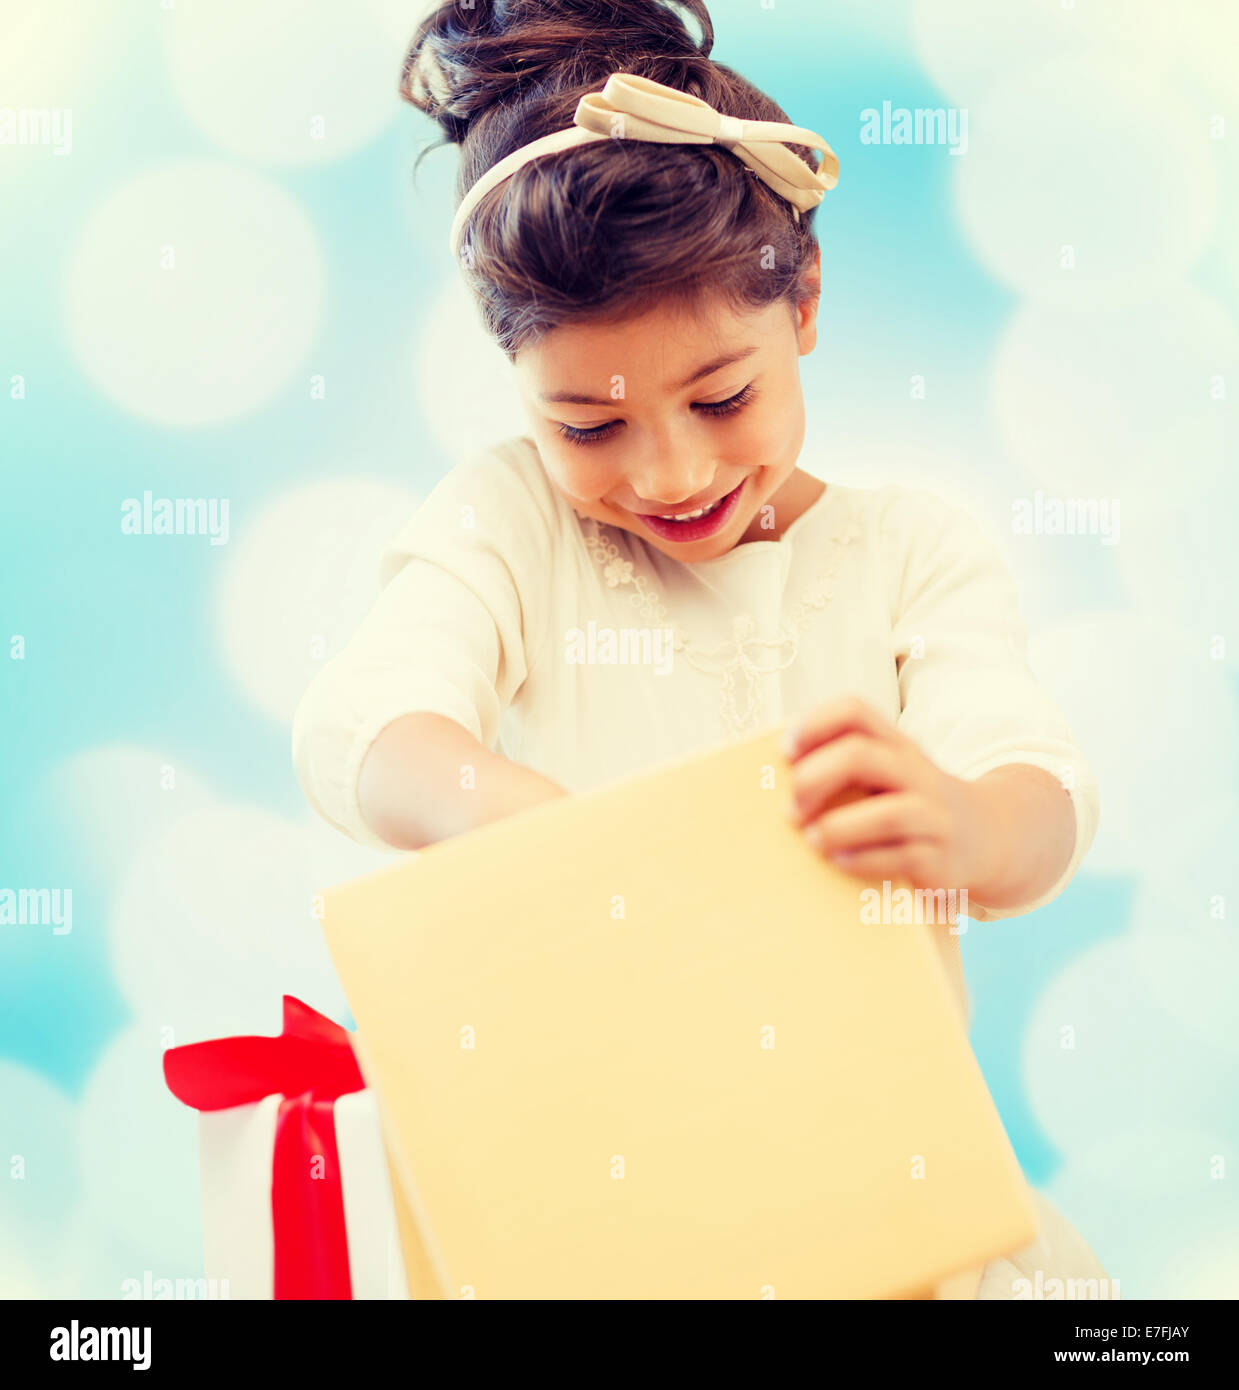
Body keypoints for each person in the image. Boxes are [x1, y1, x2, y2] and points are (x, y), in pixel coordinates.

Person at [293, 0, 1110, 1300]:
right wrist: (559, 837)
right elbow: (363, 732)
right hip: (611, 1219)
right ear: (518, 392)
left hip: (882, 1210)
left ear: (806, 304)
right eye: (587, 426)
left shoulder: (907, 554)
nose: (669, 472)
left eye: (721, 396)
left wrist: (961, 823)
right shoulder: (515, 530)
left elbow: (1043, 805)